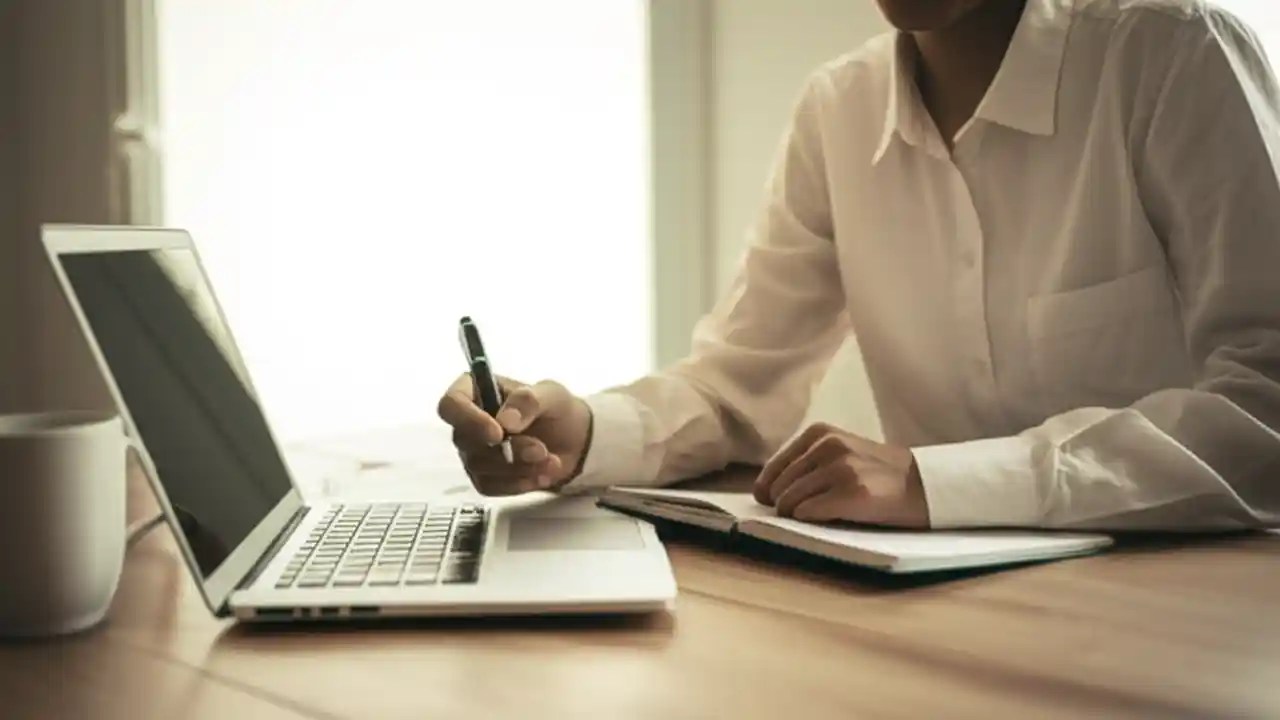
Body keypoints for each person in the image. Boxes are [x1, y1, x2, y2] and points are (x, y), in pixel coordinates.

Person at [438, 0, 1280, 531]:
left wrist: (935, 481)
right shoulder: (838, 108)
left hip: (1184, 615)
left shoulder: (1174, 56)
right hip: (940, 614)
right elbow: (738, 390)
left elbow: (1266, 412)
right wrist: (578, 432)